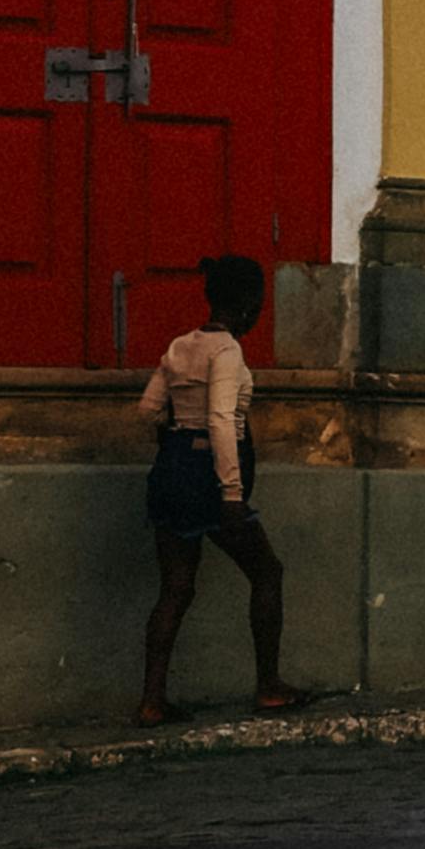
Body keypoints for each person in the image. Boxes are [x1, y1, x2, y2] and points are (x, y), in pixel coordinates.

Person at [135, 256, 302, 721]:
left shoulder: (179, 346)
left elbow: (148, 409)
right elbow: (222, 420)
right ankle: (269, 685)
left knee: (175, 588)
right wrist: (230, 493)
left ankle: (151, 700)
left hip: (170, 470)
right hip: (209, 476)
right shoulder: (227, 352)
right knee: (267, 572)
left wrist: (175, 444)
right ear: (250, 305)